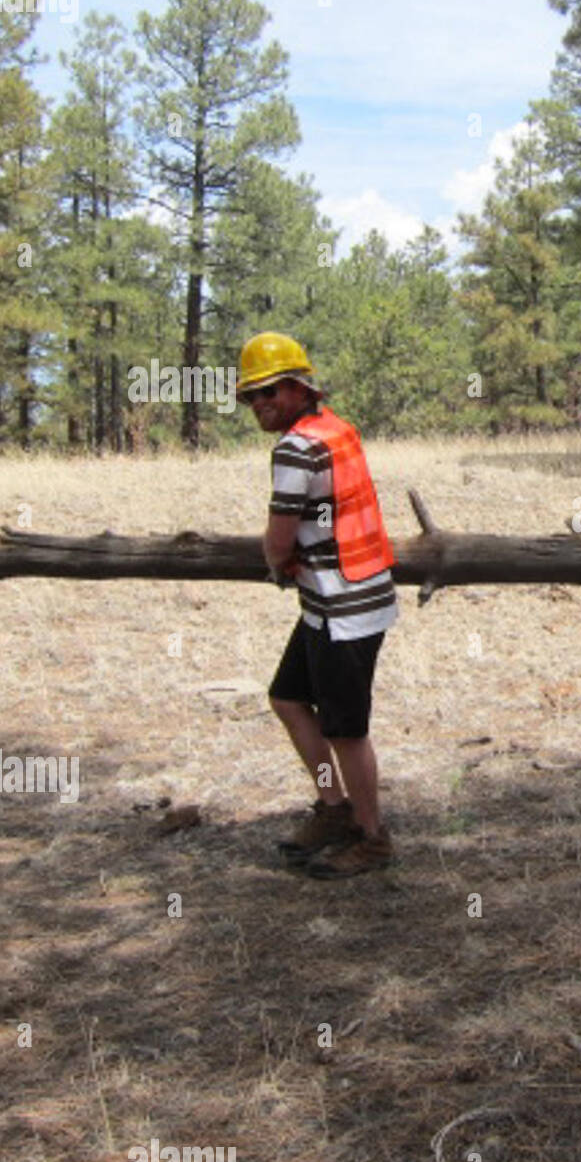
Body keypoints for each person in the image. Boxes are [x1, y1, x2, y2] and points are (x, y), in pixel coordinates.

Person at [238, 331, 400, 876]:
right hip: (344, 601)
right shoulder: (335, 430)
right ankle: (334, 807)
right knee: (287, 698)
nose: (259, 404)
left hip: (342, 607)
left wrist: (274, 559)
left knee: (346, 730)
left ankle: (372, 838)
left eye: (268, 392)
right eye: (249, 397)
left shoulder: (295, 446)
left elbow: (279, 539)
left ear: (298, 387)